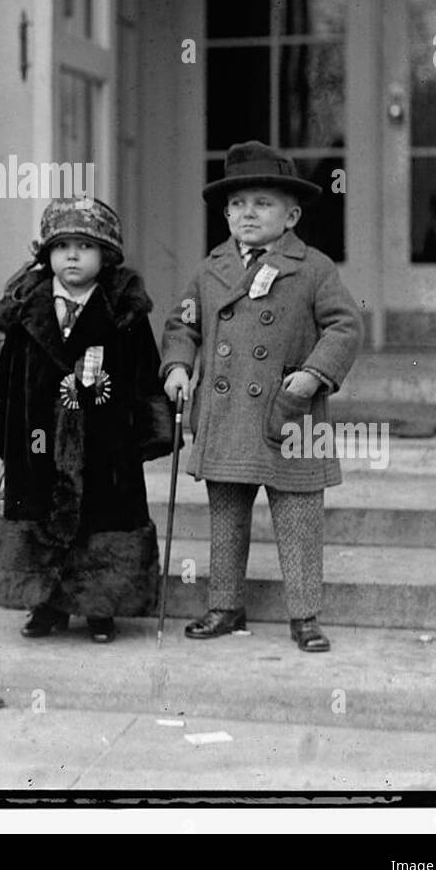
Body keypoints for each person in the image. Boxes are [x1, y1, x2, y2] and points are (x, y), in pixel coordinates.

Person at [160, 141, 362, 652]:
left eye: (262, 203)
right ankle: (225, 605)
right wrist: (178, 366)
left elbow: (344, 326)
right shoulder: (211, 269)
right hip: (226, 413)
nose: (247, 213)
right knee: (227, 517)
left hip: (290, 410)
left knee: (299, 517)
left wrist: (314, 374)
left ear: (291, 216)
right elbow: (183, 323)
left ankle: (305, 616)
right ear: (226, 214)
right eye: (237, 204)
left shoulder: (313, 267)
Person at [0, 198, 173, 643]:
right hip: (37, 439)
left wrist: (151, 426)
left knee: (103, 515)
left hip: (106, 441)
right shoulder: (28, 308)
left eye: (85, 246)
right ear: (47, 256)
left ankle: (101, 607)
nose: (73, 256)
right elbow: (6, 373)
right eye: (62, 247)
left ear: (107, 255)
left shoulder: (123, 312)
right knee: (38, 512)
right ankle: (45, 605)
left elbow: (144, 371)